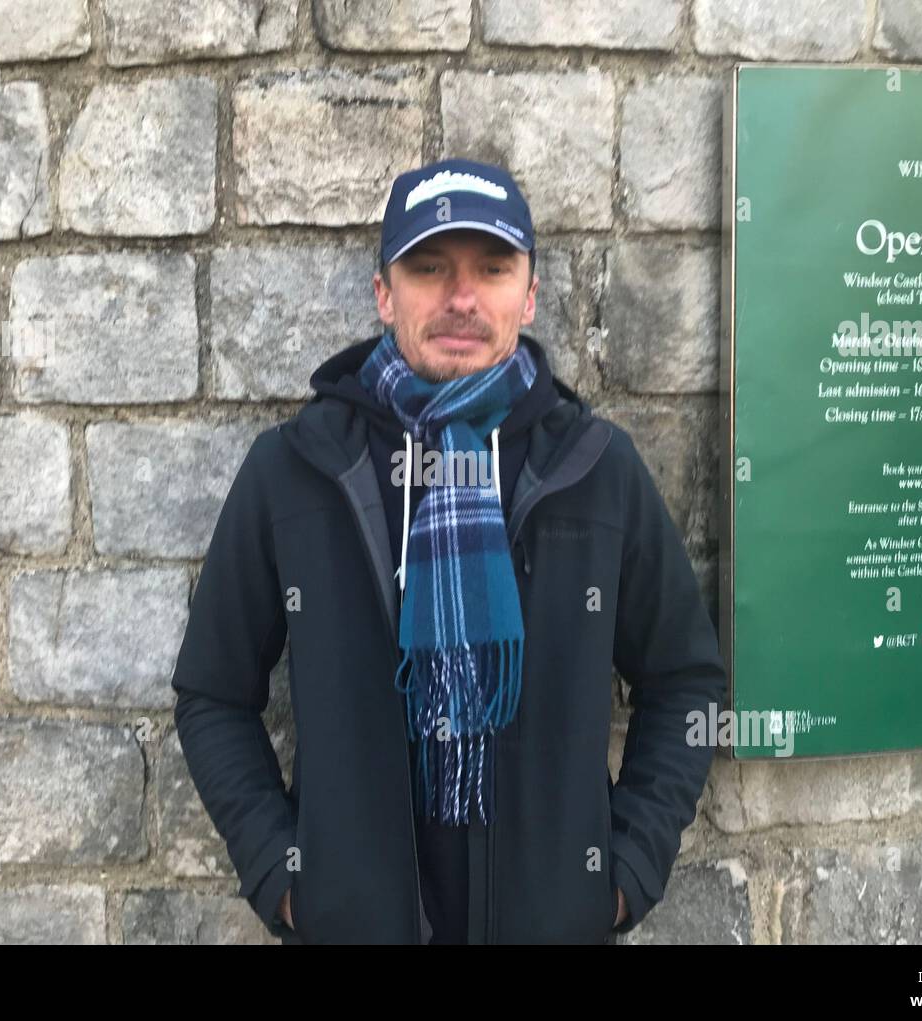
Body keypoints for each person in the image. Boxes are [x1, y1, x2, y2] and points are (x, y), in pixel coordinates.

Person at [171, 157, 727, 944]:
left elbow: (686, 684)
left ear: (528, 294)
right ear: (383, 292)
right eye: (429, 268)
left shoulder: (597, 472)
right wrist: (289, 878)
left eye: (492, 268)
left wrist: (621, 875)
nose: (461, 297)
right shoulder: (296, 472)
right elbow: (212, 694)